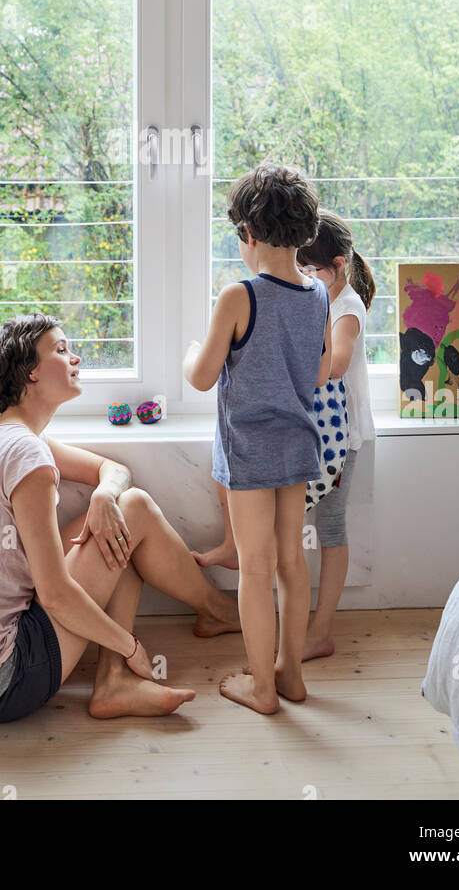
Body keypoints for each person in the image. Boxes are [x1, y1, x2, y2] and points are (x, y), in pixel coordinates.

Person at [0, 313, 240, 723]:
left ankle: (115, 681)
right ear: (30, 372)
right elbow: (54, 594)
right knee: (134, 512)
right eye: (61, 350)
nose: (75, 359)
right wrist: (130, 645)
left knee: (121, 515)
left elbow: (109, 470)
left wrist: (105, 495)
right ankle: (214, 611)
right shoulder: (26, 454)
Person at [184, 163, 331, 714]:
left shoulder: (239, 295)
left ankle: (261, 689)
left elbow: (201, 376)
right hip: (298, 446)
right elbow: (317, 375)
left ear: (247, 234)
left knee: (256, 567)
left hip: (249, 454)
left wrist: (188, 352)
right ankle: (290, 675)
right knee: (293, 563)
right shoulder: (316, 295)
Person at [297, 210, 375, 659]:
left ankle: (321, 629)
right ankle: (302, 624)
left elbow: (336, 365)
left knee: (330, 528)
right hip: (315, 429)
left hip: (340, 438)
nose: (306, 278)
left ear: (339, 265)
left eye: (312, 270)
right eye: (300, 270)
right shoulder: (319, 298)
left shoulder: (347, 307)